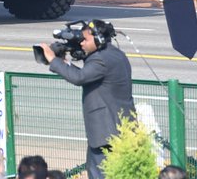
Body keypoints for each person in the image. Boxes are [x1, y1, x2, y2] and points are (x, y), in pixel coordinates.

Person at [39, 20, 135, 179]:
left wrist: (53, 59)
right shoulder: (115, 54)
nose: (82, 43)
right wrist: (64, 63)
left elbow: (79, 77)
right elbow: (88, 74)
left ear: (99, 39)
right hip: (118, 129)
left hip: (106, 132)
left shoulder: (100, 59)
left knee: (99, 174)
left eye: (85, 40)